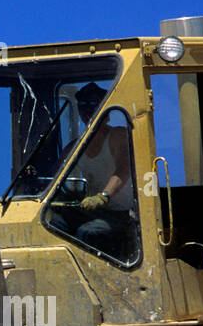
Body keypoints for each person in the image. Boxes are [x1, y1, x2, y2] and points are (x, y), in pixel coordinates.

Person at [47, 82, 137, 258]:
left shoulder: (117, 136)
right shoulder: (76, 147)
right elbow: (54, 174)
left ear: (106, 112)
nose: (88, 110)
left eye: (94, 105)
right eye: (83, 105)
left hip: (123, 215)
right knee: (54, 224)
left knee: (87, 233)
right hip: (96, 212)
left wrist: (103, 197)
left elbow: (125, 168)